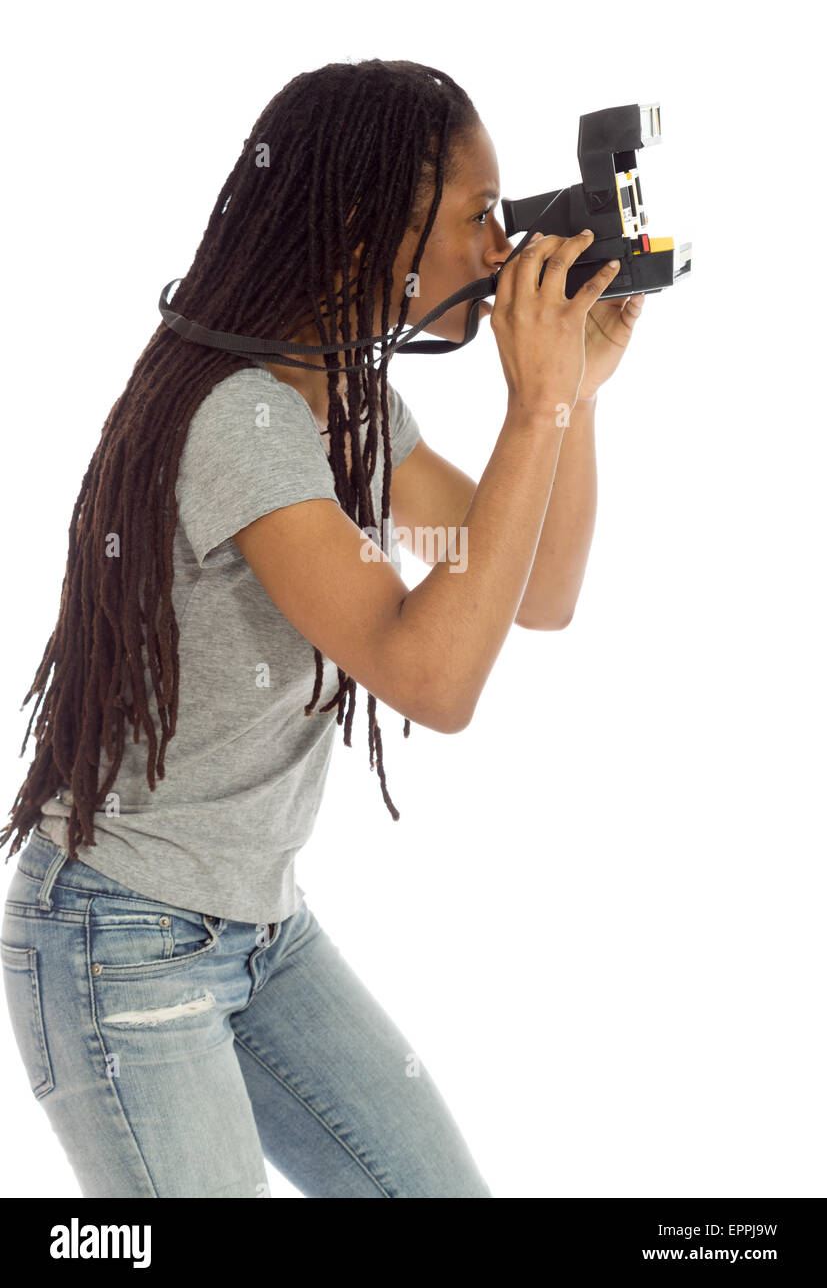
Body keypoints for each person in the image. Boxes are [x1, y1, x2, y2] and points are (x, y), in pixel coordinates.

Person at [0, 58, 642, 1197]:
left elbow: (535, 588)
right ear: (362, 234)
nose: (500, 248)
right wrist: (532, 405)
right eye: (477, 216)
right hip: (121, 938)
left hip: (258, 928)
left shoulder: (348, 404)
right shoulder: (240, 419)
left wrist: (571, 396)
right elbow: (429, 678)